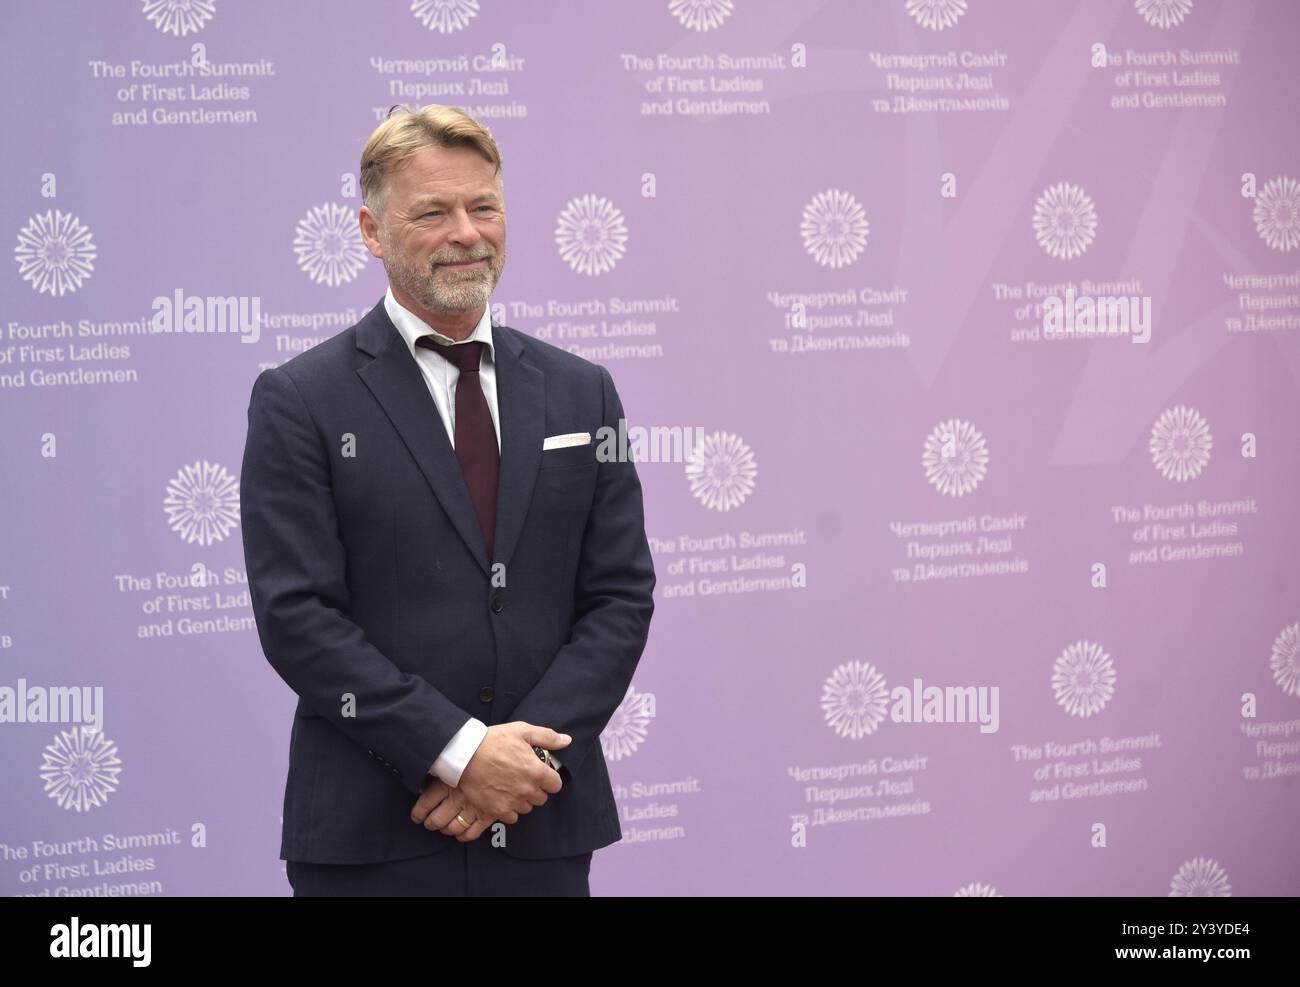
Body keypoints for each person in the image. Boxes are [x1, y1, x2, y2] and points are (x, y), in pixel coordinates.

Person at [239, 103, 656, 895]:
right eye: (433, 211)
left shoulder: (582, 392)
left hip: (543, 822)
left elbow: (621, 595)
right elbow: (298, 616)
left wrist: (521, 762)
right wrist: (461, 751)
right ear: (371, 231)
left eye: (484, 206)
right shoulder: (301, 400)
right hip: (375, 835)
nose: (467, 232)